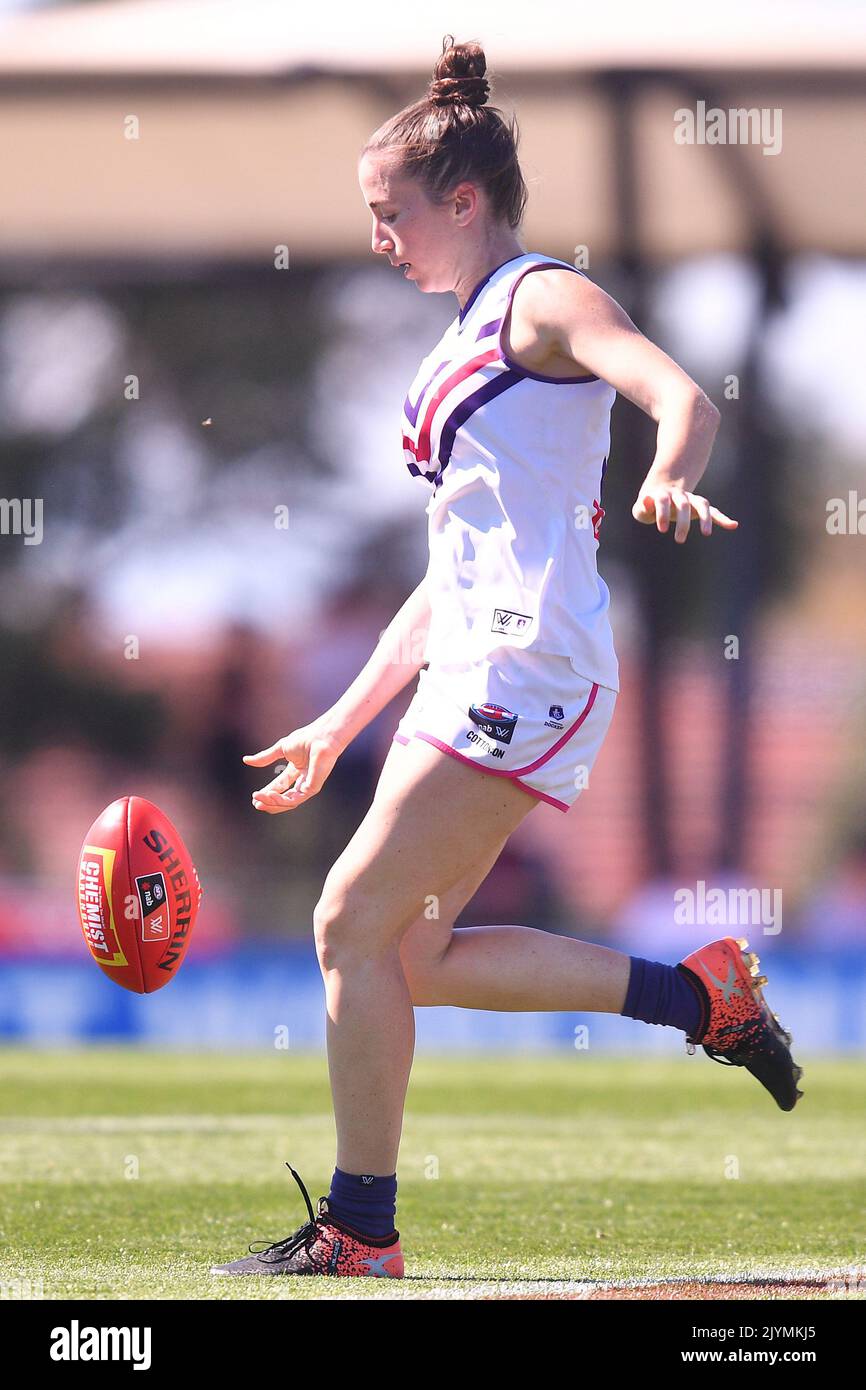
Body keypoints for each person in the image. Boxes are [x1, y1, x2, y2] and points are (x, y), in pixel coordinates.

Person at [212, 36, 802, 1281]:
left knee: (344, 927)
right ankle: (701, 997)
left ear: (463, 201)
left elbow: (680, 397)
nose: (379, 238)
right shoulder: (463, 334)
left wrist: (670, 475)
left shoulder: (541, 297)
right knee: (402, 956)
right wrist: (339, 718)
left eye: (392, 214)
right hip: (474, 662)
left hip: (525, 666)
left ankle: (361, 1231)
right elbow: (447, 571)